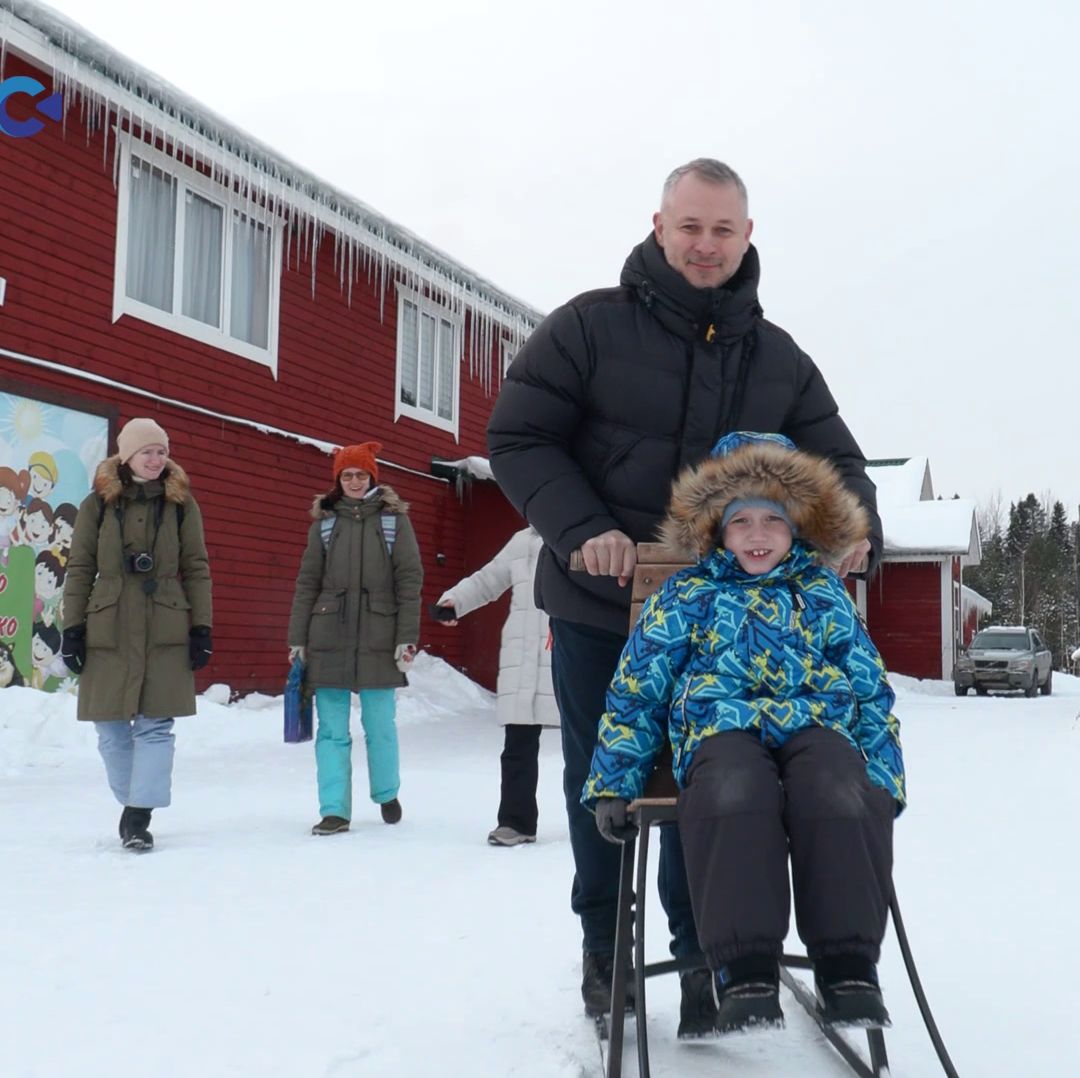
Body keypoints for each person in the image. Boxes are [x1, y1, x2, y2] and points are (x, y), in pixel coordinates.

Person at [487, 157, 884, 1036]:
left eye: (724, 230)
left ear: (748, 239)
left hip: (731, 633)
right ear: (659, 226)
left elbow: (841, 469)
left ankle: (704, 953)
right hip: (604, 606)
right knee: (613, 783)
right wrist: (580, 525)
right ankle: (606, 951)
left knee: (713, 780)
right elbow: (519, 435)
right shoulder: (587, 328)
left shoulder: (780, 359)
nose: (706, 245)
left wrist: (858, 529)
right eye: (691, 226)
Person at [584, 432, 904, 1035]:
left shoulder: (821, 593)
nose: (758, 535)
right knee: (733, 790)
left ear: (799, 527)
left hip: (817, 724)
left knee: (839, 788)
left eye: (773, 522)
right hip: (720, 727)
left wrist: (882, 775)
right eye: (742, 522)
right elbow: (638, 688)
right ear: (716, 530)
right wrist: (614, 779)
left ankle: (847, 963)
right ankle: (746, 964)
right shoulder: (690, 594)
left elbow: (867, 687)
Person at [59, 419, 213, 852]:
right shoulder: (98, 505)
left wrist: (202, 626)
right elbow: (79, 570)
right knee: (109, 728)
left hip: (165, 623)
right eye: (147, 452)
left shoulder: (181, 504)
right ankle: (133, 800)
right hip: (108, 624)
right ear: (126, 456)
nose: (155, 459)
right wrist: (72, 628)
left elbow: (197, 568)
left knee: (155, 725)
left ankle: (138, 817)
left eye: (161, 452)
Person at [286, 442, 424, 836]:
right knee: (331, 729)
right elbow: (307, 582)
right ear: (337, 480)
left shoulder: (394, 521)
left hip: (381, 634)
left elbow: (409, 581)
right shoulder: (325, 524)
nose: (354, 482)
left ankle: (386, 792)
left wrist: (406, 637)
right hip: (328, 634)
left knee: (380, 724)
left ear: (373, 477)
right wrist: (298, 637)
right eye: (347, 475)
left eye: (361, 475)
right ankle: (334, 810)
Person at [433, 526, 558, 847]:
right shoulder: (522, 542)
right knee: (517, 745)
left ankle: (593, 823)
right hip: (522, 658)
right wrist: (454, 601)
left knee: (582, 748)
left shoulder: (581, 537)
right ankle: (515, 822)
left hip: (567, 653)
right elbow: (489, 579)